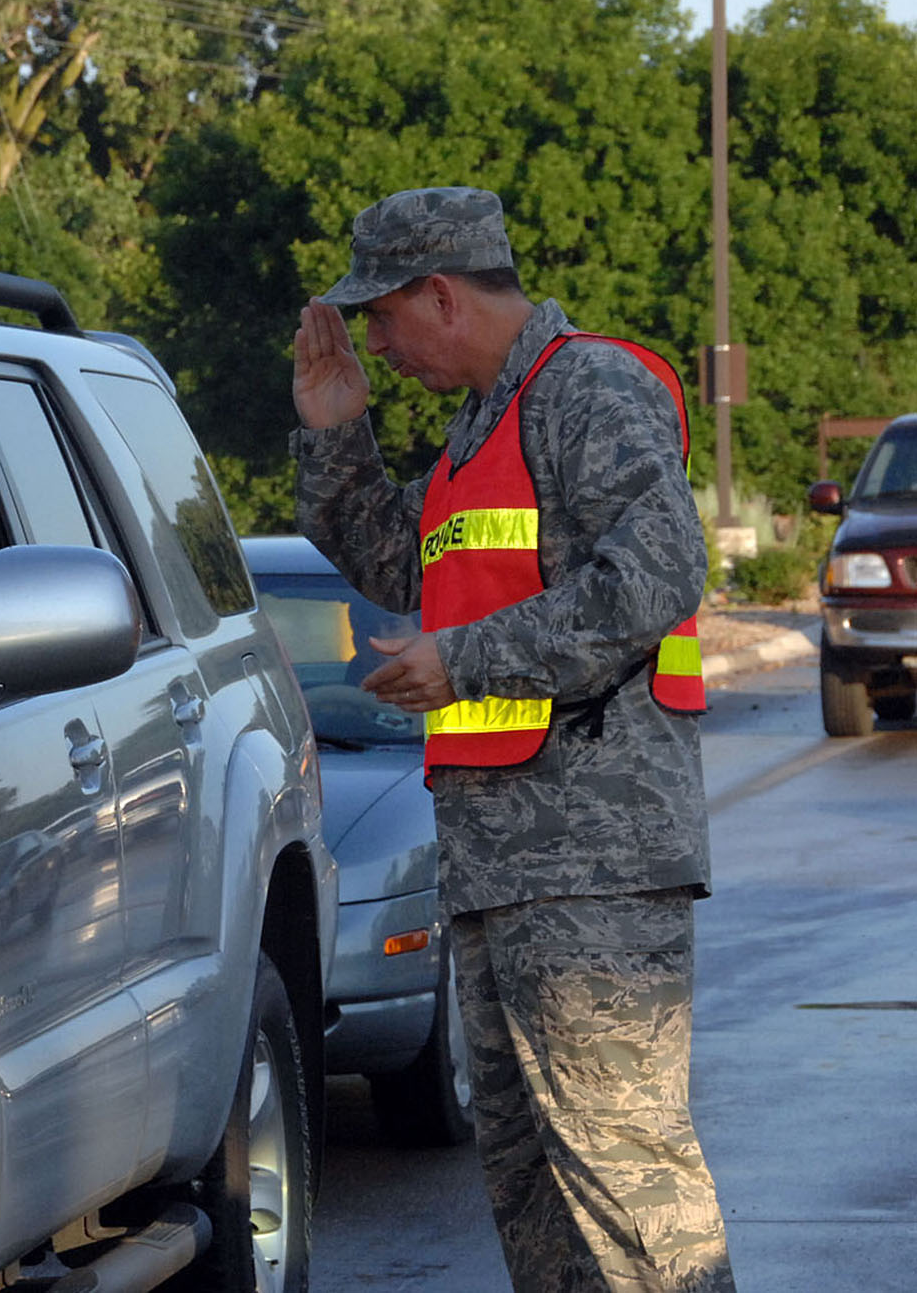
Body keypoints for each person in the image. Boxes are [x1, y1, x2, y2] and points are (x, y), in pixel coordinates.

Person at [289, 186, 735, 1293]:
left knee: (634, 1197)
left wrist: (466, 659)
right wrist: (338, 437)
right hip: (506, 870)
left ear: (439, 294)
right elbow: (406, 568)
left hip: (593, 867)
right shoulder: (483, 424)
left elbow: (660, 570)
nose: (378, 345)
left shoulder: (586, 386)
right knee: (538, 1193)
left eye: (381, 320)